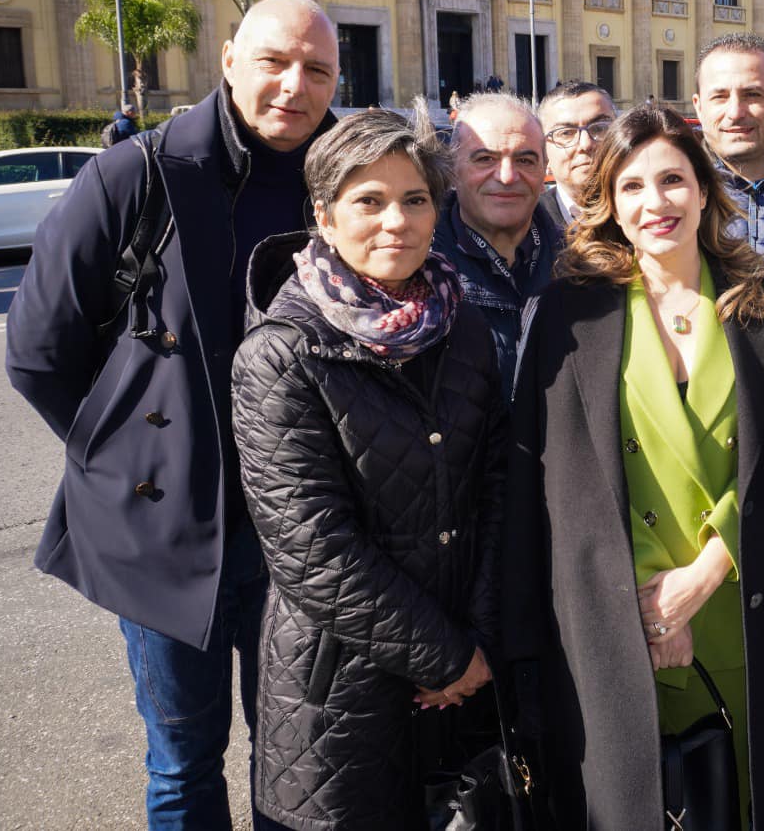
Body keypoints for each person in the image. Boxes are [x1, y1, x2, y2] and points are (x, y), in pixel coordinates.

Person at [5, 0, 339, 829]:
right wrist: (125, 455)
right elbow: (39, 351)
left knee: (296, 756)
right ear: (228, 60)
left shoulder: (346, 179)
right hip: (166, 531)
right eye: (274, 61)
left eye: (318, 70)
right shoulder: (137, 174)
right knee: (183, 762)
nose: (294, 86)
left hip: (302, 533)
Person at [503, 104, 764, 828]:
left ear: (704, 190)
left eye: (672, 180)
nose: (655, 203)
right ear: (608, 203)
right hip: (615, 619)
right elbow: (549, 483)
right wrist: (651, 609)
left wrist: (700, 579)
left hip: (735, 609)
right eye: (632, 186)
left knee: (740, 803)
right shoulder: (567, 316)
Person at [230, 104, 505, 829]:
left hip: (469, 672)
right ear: (324, 216)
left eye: (415, 200)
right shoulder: (282, 353)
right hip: (341, 691)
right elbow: (312, 550)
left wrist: (478, 640)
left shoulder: (462, 325)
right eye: (369, 201)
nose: (396, 222)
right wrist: (445, 658)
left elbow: (498, 487)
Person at [432, 92, 559, 398]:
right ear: (452, 168)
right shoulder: (416, 270)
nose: (507, 176)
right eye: (485, 159)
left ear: (545, 169)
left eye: (525, 160)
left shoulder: (583, 267)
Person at [692, 32, 764, 314]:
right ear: (699, 106)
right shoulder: (675, 191)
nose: (735, 112)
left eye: (752, 95)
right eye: (719, 97)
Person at [537, 78, 616, 231]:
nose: (585, 144)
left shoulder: (648, 212)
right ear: (544, 151)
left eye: (599, 128)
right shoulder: (524, 223)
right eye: (566, 133)